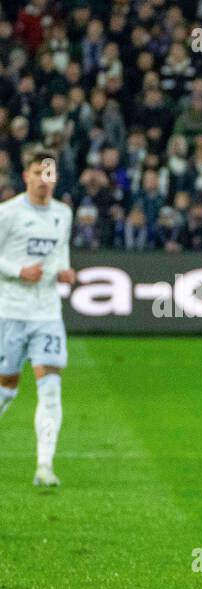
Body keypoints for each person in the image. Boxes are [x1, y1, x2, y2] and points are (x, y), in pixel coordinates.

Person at [0, 148, 76, 486]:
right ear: (26, 176)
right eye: (37, 173)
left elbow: (60, 254)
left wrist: (64, 272)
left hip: (47, 312)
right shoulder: (8, 213)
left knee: (50, 389)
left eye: (49, 174)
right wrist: (18, 271)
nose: (43, 181)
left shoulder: (63, 214)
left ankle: (45, 467)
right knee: (6, 389)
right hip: (10, 310)